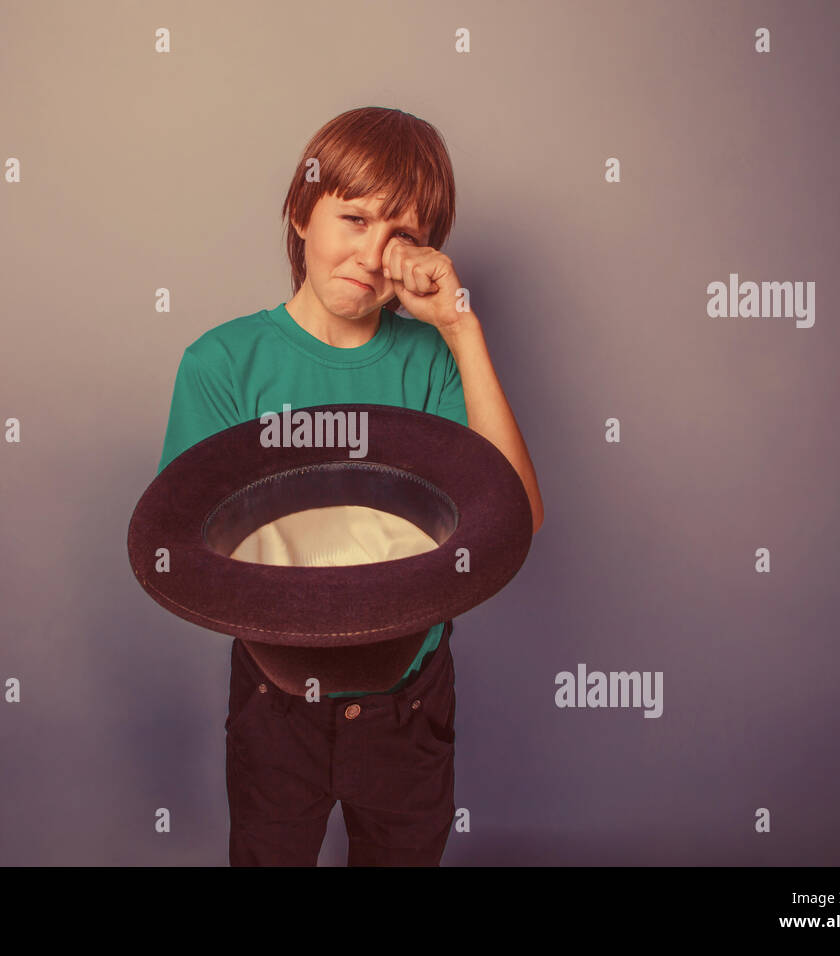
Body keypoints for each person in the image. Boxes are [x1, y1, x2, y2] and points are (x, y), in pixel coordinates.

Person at [155, 106, 545, 866]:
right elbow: (187, 558)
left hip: (410, 704)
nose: (373, 252)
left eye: (400, 234)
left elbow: (518, 518)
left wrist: (461, 329)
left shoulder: (430, 361)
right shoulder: (222, 365)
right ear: (302, 213)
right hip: (275, 705)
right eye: (355, 217)